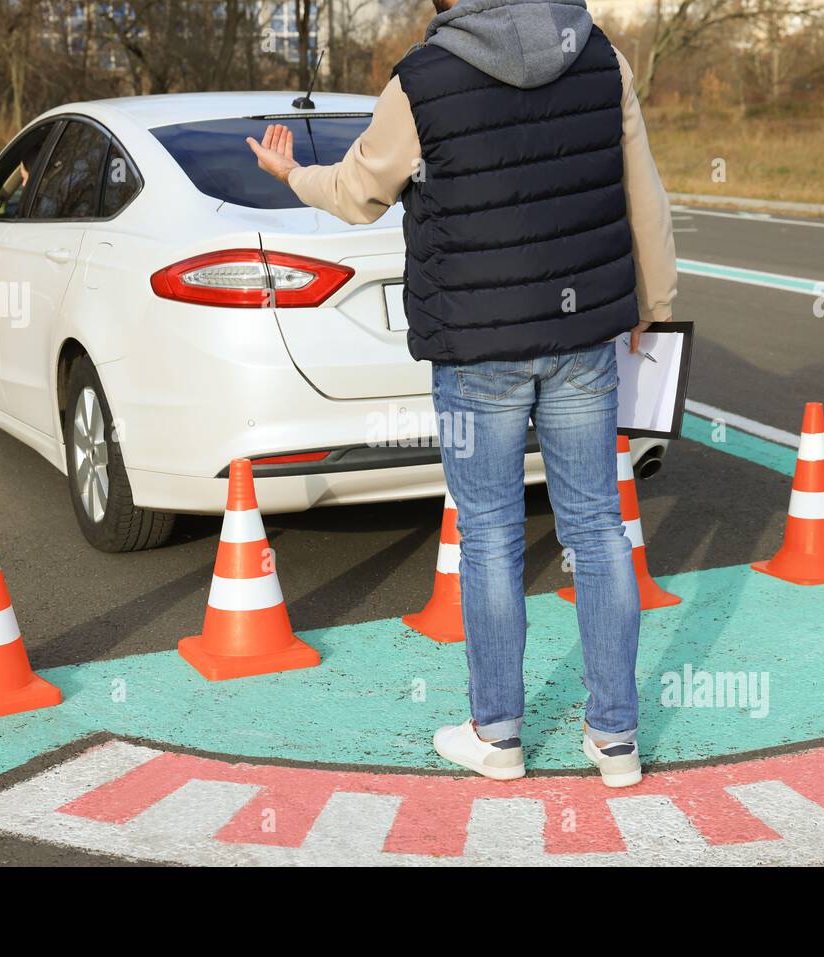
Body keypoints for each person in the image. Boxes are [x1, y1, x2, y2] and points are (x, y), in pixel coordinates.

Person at [248, 0, 676, 788]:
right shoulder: (598, 56)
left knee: (488, 534)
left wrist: (290, 174)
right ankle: (616, 738)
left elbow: (357, 193)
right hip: (582, 336)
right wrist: (654, 301)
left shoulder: (423, 79)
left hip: (477, 346)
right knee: (598, 527)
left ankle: (499, 735)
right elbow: (639, 188)